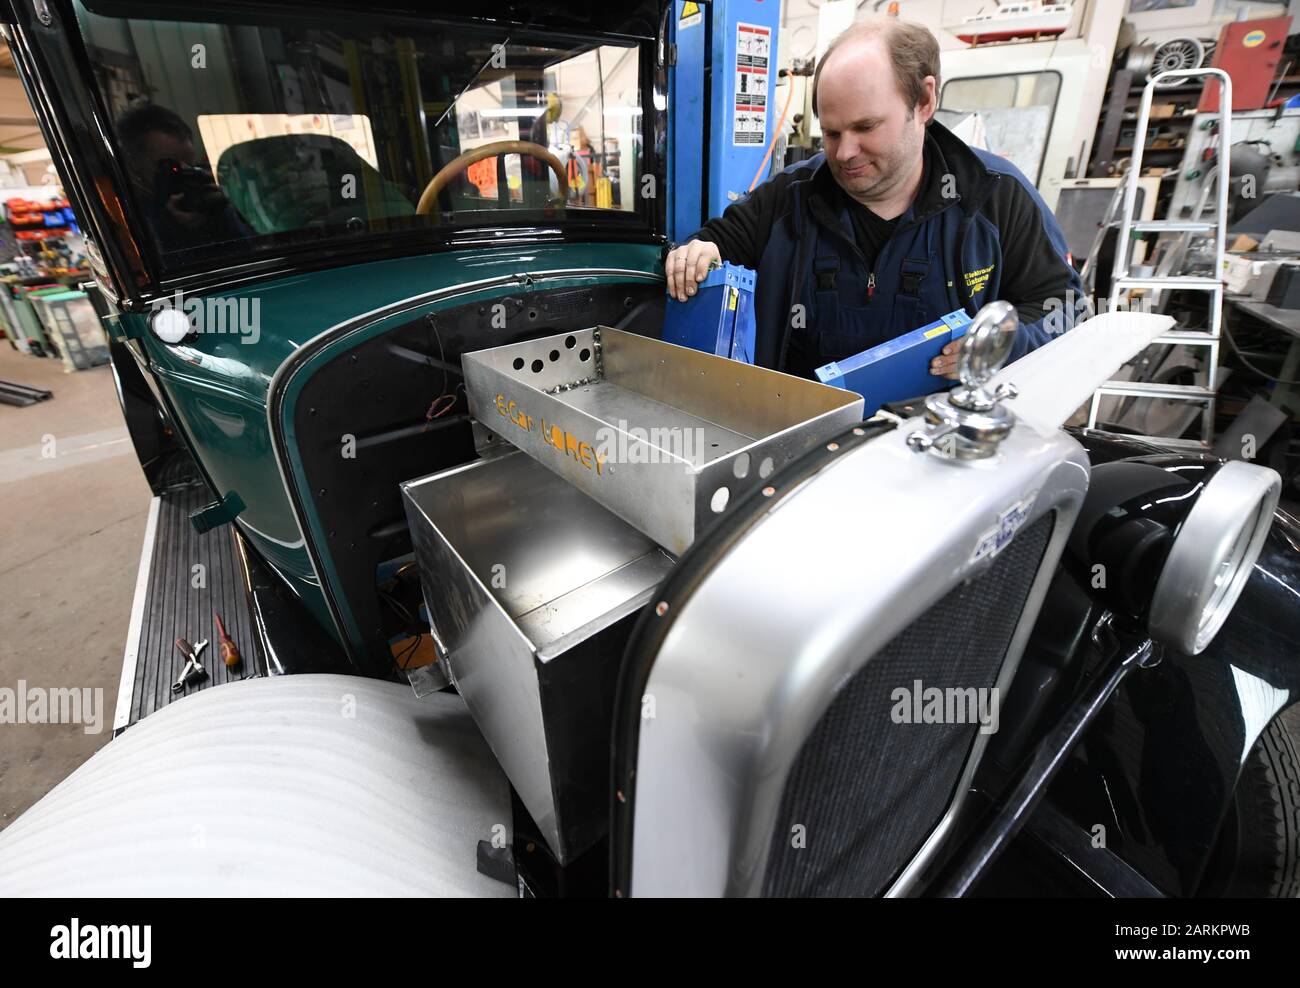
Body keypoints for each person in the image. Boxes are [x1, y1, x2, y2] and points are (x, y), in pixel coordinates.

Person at [665, 19, 1085, 382]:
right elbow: (714, 244)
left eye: (865, 127)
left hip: (941, 440)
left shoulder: (994, 196)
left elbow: (1064, 309)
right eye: (832, 133)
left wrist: (1006, 344)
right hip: (808, 436)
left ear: (924, 101)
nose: (845, 153)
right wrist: (697, 255)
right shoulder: (789, 198)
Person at [116, 103, 253, 256]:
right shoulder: (124, 214)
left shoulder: (202, 191)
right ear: (133, 163)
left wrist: (219, 212)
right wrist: (168, 227)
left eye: (189, 166)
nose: (184, 174)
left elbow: (247, 252)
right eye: (171, 167)